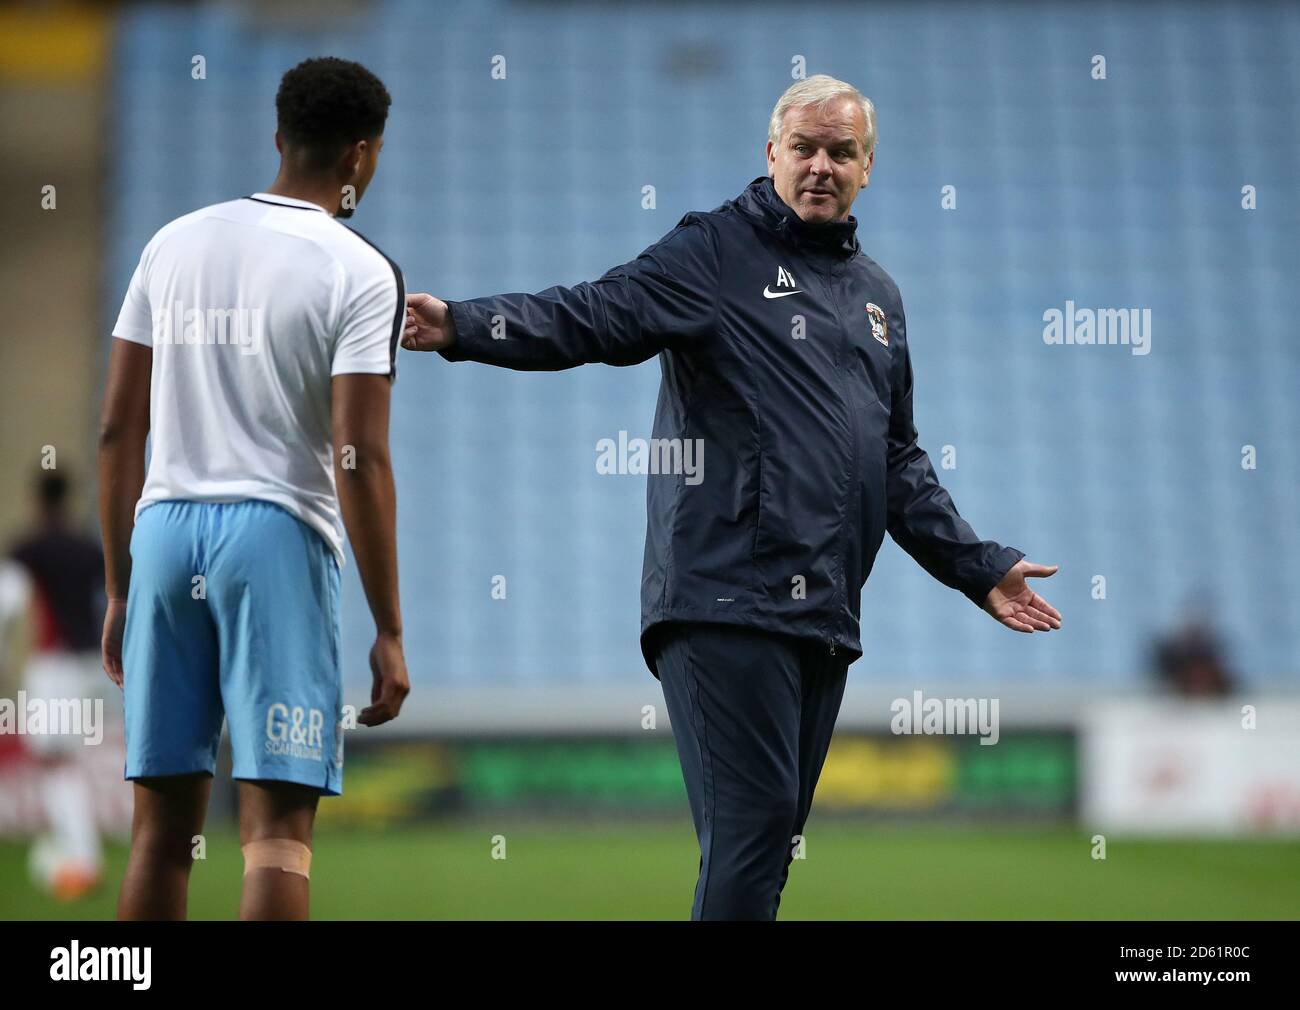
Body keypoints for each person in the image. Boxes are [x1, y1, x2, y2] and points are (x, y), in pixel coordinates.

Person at [403, 75, 1061, 920]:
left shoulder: (879, 300)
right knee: (751, 838)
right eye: (806, 148)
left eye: (842, 152)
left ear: (869, 168)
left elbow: (896, 461)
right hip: (723, 598)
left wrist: (981, 567)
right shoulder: (714, 252)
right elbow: (595, 314)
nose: (821, 166)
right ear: (772, 153)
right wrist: (462, 325)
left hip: (823, 612)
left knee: (769, 846)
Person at [99, 56, 409, 921]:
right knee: (275, 835)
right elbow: (360, 457)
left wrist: (121, 587)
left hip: (162, 535)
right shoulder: (358, 269)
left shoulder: (173, 242)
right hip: (274, 534)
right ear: (361, 156)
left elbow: (118, 429)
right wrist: (388, 627)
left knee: (160, 833)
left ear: (278, 139)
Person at [8, 471, 108, 899]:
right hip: (89, 666)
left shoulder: (27, 551)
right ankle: (78, 853)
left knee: (55, 763)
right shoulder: (89, 550)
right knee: (64, 761)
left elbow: (8, 605)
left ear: (36, 498)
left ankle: (83, 860)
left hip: (55, 666)